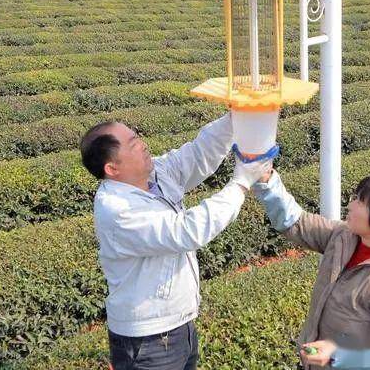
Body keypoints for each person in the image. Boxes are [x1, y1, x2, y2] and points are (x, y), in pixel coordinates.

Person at [80, 114, 271, 370]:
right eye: (133, 143)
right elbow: (187, 231)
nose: (143, 144)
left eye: (138, 137)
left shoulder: (155, 175)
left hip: (179, 326)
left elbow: (197, 154)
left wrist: (237, 116)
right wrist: (241, 182)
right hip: (148, 340)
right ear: (112, 168)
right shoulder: (118, 210)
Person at [252, 169, 370, 369]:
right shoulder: (344, 236)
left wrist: (338, 356)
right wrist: (267, 181)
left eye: (359, 202)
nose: (350, 205)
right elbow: (296, 222)